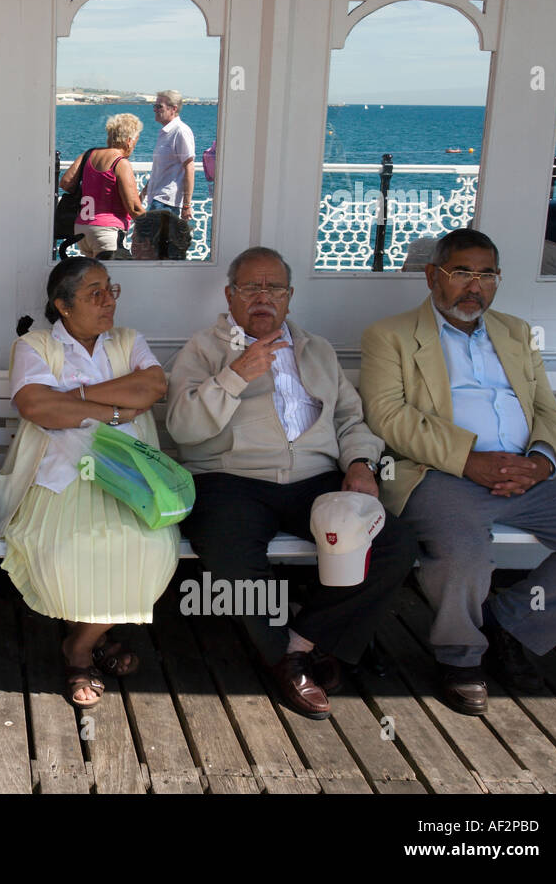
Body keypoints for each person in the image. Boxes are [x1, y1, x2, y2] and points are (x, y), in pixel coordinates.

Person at [166, 247, 418, 720]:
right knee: (226, 547)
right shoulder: (203, 349)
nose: (264, 297)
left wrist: (361, 463)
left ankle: (299, 645)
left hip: (315, 479)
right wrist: (235, 377)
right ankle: (291, 657)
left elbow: (350, 419)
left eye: (274, 288)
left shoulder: (315, 349)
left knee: (394, 542)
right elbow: (183, 428)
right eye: (251, 288)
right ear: (230, 295)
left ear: (289, 296)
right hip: (231, 478)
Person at [360, 229, 556, 716]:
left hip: (526, 473)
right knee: (465, 550)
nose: (475, 286)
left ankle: (511, 623)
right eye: (462, 272)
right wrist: (469, 461)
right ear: (432, 276)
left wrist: (542, 462)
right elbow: (389, 417)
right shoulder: (392, 336)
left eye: (487, 275)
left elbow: (548, 411)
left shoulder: (517, 333)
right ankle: (461, 658)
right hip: (440, 474)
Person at [0, 258, 177, 706]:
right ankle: (92, 641)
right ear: (63, 305)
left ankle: (78, 643)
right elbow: (38, 407)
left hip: (130, 477)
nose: (108, 300)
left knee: (151, 548)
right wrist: (115, 411)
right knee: (67, 548)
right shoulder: (35, 345)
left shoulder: (128, 341)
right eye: (94, 293)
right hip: (60, 475)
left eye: (110, 289)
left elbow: (151, 386)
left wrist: (73, 397)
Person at [59, 113, 144, 258]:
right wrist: (158, 225)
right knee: (111, 277)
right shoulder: (121, 163)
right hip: (106, 232)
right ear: (129, 141)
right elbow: (134, 208)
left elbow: (65, 182)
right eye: (136, 139)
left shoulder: (89, 154)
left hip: (81, 228)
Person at [143, 90, 195, 223]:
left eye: (159, 106)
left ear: (173, 109)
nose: (155, 110)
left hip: (167, 203)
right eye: (154, 106)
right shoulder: (165, 133)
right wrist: (143, 193)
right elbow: (160, 171)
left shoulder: (180, 131)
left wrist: (187, 205)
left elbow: (189, 167)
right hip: (157, 199)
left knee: (157, 242)